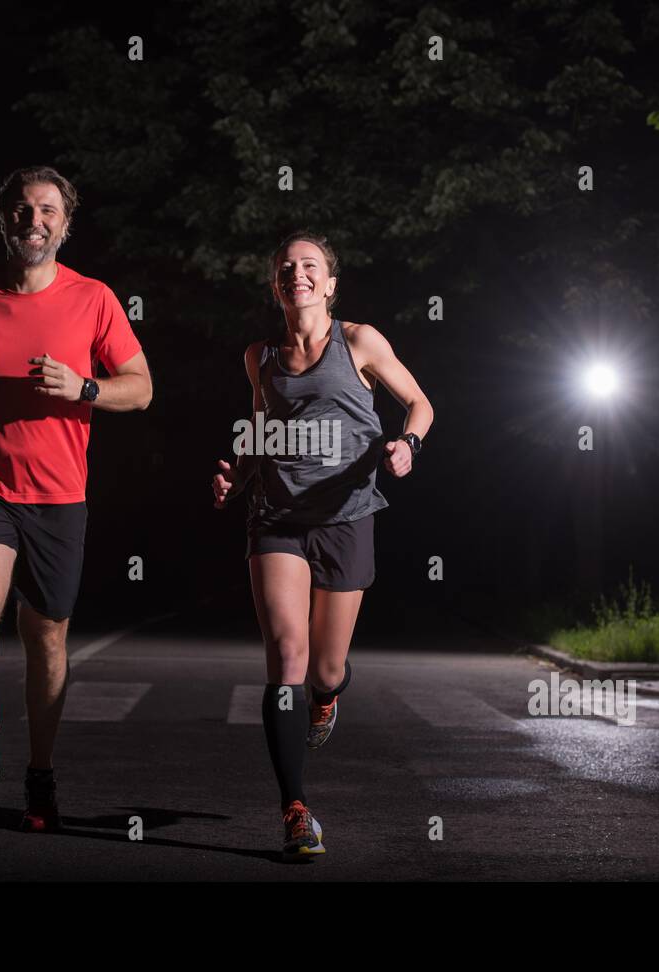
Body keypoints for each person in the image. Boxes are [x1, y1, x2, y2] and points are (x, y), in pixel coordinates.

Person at [0, 165, 152, 832]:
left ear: (66, 223)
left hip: (59, 491)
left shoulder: (94, 299)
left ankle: (41, 774)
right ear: (5, 219)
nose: (34, 221)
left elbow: (140, 387)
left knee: (47, 635)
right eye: (21, 210)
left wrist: (85, 389)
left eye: (47, 211)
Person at [212, 232, 433, 860]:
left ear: (330, 284)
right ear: (275, 285)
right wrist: (236, 471)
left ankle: (329, 696)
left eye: (310, 266)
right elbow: (258, 432)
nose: (297, 273)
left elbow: (420, 403)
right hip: (276, 518)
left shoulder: (360, 341)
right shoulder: (261, 357)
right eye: (286, 267)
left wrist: (406, 445)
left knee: (324, 669)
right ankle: (295, 810)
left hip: (347, 517)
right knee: (287, 655)